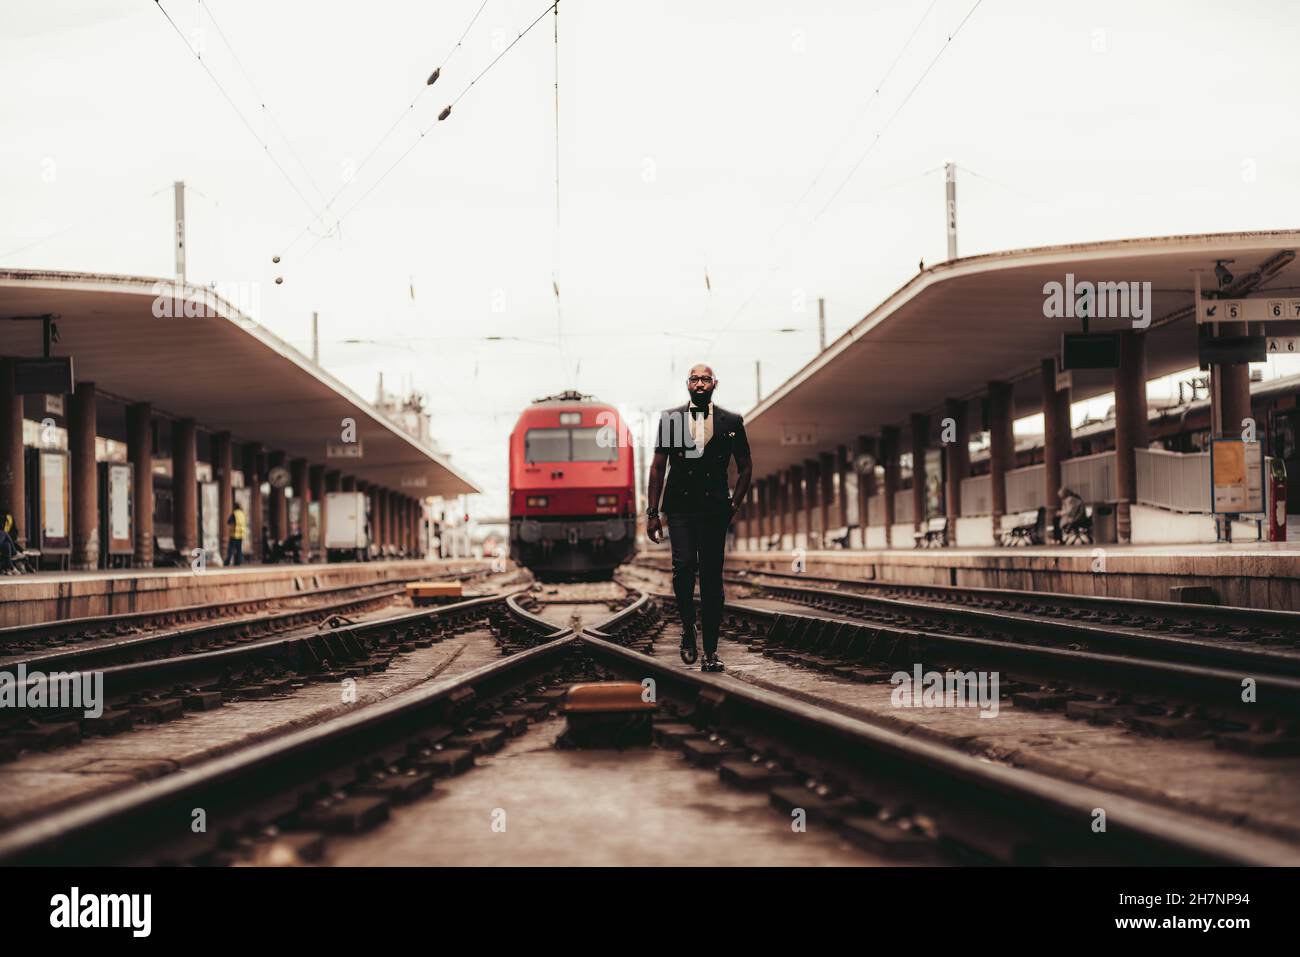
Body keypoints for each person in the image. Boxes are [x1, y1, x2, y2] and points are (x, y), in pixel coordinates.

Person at [646, 363, 753, 673]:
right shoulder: (671, 419)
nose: (700, 383)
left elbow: (746, 466)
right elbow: (657, 467)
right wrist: (652, 513)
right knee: (682, 569)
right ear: (687, 384)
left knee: (711, 578)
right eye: (695, 379)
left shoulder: (731, 421)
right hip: (679, 507)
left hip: (714, 509)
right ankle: (688, 628)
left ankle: (710, 651)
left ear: (715, 384)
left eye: (706, 378)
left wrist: (734, 504)